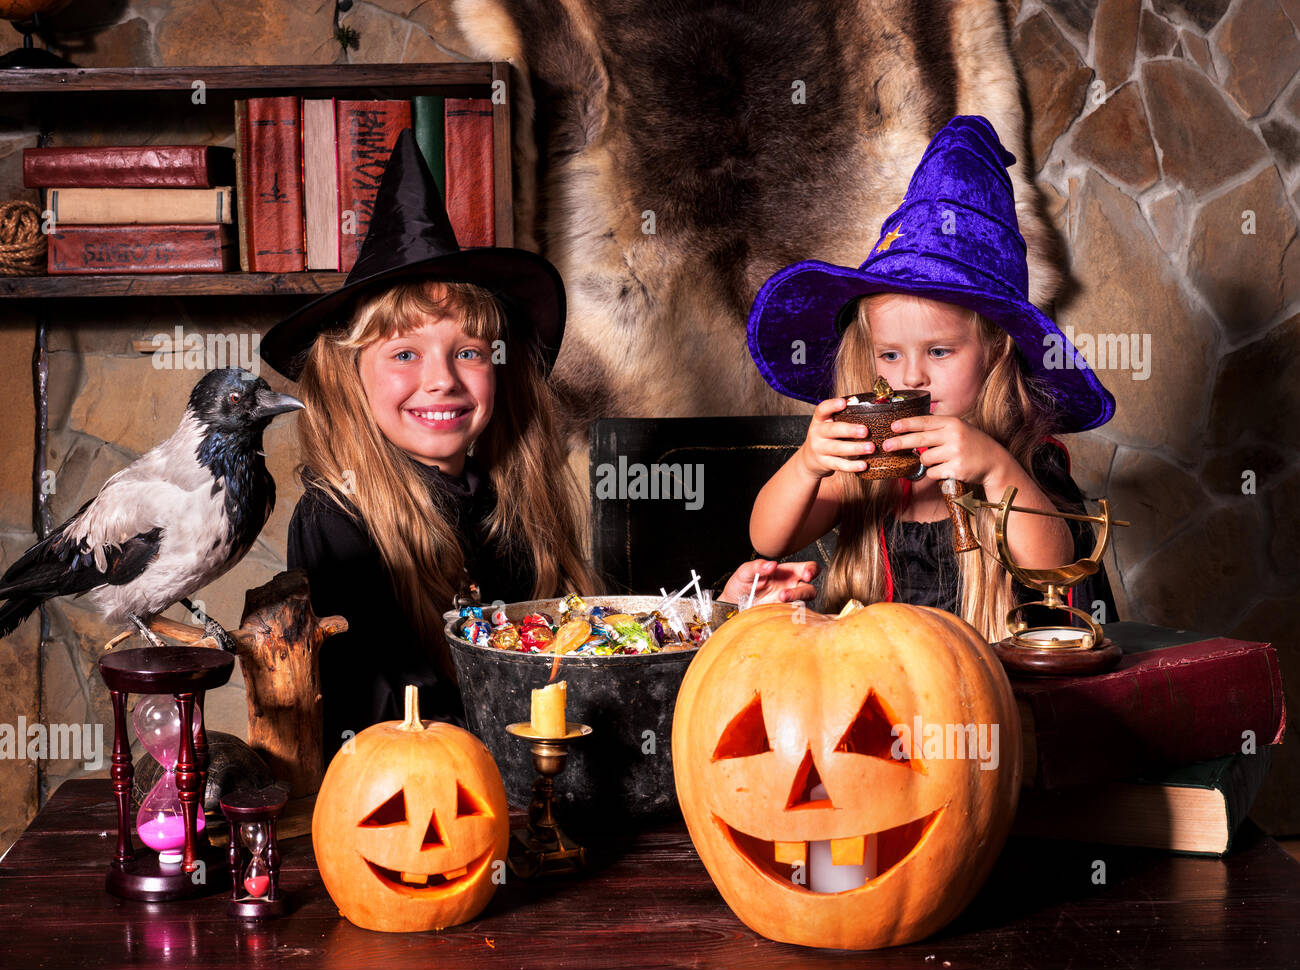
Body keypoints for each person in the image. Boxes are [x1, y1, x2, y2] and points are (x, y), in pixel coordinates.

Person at [260, 131, 814, 756]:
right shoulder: (338, 523)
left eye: (467, 352)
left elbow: (578, 655)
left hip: (543, 784)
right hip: (427, 801)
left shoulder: (507, 508)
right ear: (347, 373)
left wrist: (713, 618)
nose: (441, 379)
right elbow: (391, 720)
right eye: (405, 353)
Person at [746, 115, 1117, 642]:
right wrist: (808, 464)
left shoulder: (1027, 456)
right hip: (875, 679)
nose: (912, 376)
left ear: (994, 353)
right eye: (890, 355)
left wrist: (994, 467)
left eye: (939, 351)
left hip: (991, 691)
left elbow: (1050, 568)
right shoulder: (869, 463)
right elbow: (770, 539)